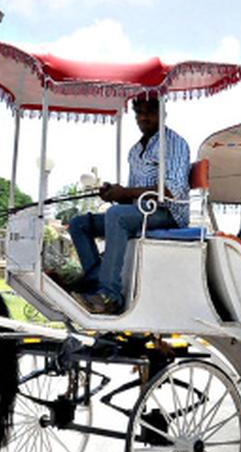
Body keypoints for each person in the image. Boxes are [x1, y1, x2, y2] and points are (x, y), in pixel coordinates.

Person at [67, 96, 190, 314]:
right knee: (79, 224)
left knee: (117, 216)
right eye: (139, 112)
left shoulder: (174, 144)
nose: (143, 117)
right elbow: (133, 197)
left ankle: (109, 296)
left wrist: (125, 193)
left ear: (163, 114)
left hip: (168, 213)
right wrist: (114, 193)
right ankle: (95, 282)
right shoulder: (135, 151)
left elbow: (173, 190)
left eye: (150, 111)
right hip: (141, 212)